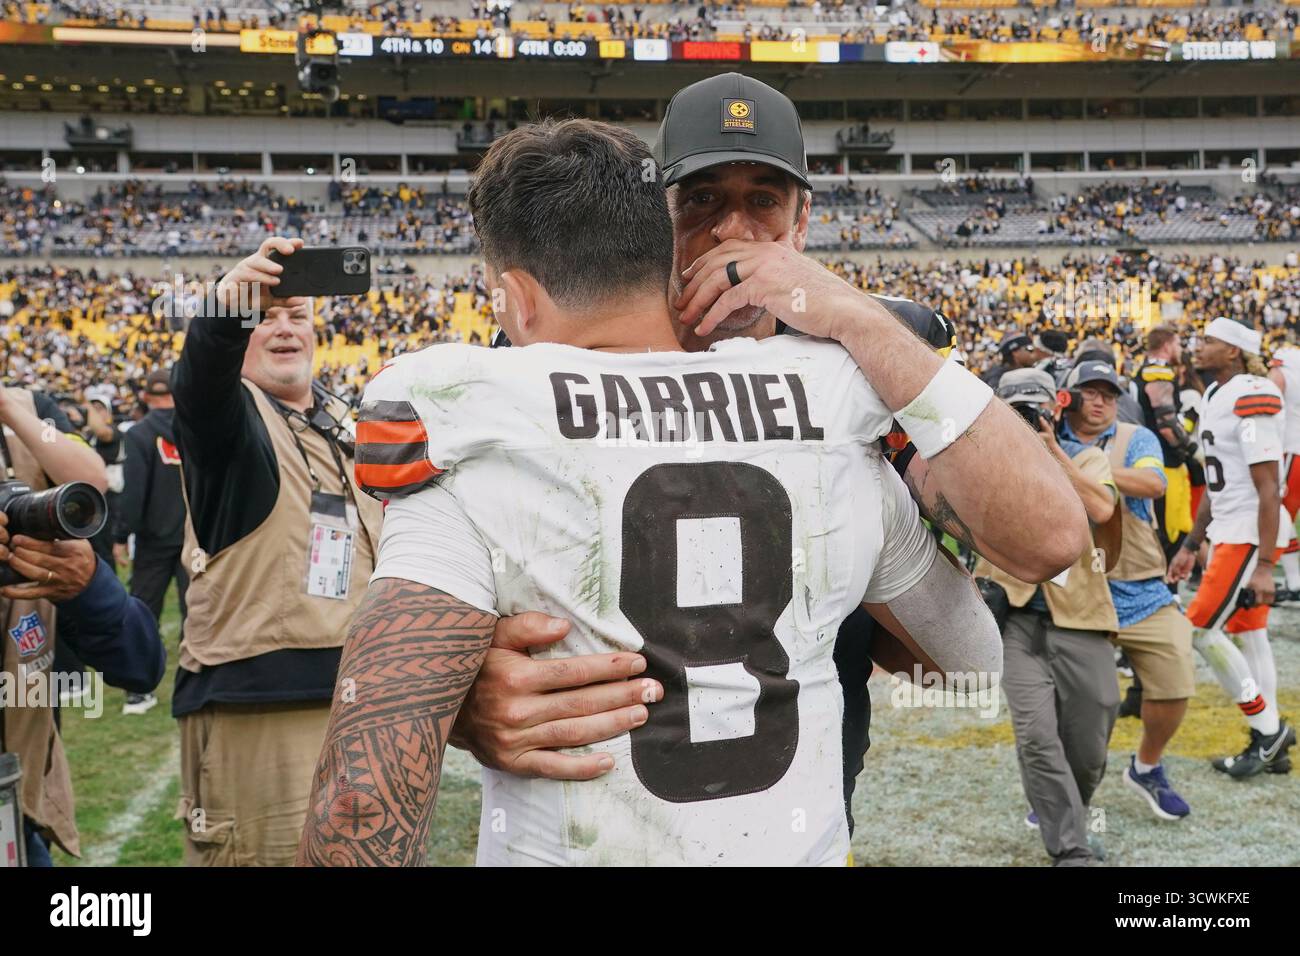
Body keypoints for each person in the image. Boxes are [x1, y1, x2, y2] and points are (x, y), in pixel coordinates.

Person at [297, 118, 1001, 866]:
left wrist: (455, 693)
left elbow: (362, 796)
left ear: (515, 300)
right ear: (662, 257)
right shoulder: (830, 408)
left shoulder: (469, 422)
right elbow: (974, 660)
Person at [447, 75, 1087, 822]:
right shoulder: (560, 351)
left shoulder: (863, 359)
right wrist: (462, 693)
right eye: (704, 200)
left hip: (795, 799)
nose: (734, 232)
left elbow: (1046, 542)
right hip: (596, 802)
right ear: (657, 217)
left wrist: (856, 319)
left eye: (764, 201)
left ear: (801, 223)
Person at [171, 242, 384, 866]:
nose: (284, 327)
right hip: (261, 711)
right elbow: (203, 378)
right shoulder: (231, 423)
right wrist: (231, 308)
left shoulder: (341, 424)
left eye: (297, 314)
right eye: (267, 316)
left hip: (360, 704)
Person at [975, 368, 1122, 866]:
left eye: (1033, 409)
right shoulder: (980, 460)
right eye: (1014, 409)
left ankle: (1068, 814)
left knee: (1091, 736)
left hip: (1081, 616)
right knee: (1037, 737)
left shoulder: (1087, 456)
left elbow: (1102, 509)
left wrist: (1050, 453)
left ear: (1056, 410)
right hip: (1015, 620)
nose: (1025, 419)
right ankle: (1071, 849)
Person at [1058, 360, 1194, 820]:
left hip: (1140, 586)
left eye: (1110, 395)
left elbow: (1155, 482)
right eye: (1091, 392)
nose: (1101, 402)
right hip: (1075, 593)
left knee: (1175, 678)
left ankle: (1146, 766)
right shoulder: (1048, 438)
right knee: (1085, 704)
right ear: (1069, 396)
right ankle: (1066, 793)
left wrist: (1090, 479)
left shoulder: (1136, 438)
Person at [1167, 317, 1296, 778]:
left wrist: (1264, 564)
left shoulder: (1251, 392)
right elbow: (1218, 482)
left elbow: (1268, 487)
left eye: (1210, 341)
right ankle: (1273, 745)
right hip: (1230, 523)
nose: (1199, 346)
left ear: (1234, 352)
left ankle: (1267, 731)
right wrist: (1191, 543)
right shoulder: (1215, 394)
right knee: (1251, 634)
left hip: (1248, 531)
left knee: (1199, 630)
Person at [115, 367, 186, 716]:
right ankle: (195, 682)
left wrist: (121, 534)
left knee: (142, 615)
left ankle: (137, 691)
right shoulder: (197, 428)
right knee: (199, 614)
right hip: (195, 537)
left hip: (153, 539)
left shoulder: (139, 434)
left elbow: (134, 494)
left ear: (145, 397)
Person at [1265, 340, 1300, 599]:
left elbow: (1270, 394)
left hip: (1291, 447)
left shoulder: (1284, 361)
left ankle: (1294, 581)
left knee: (1280, 514)